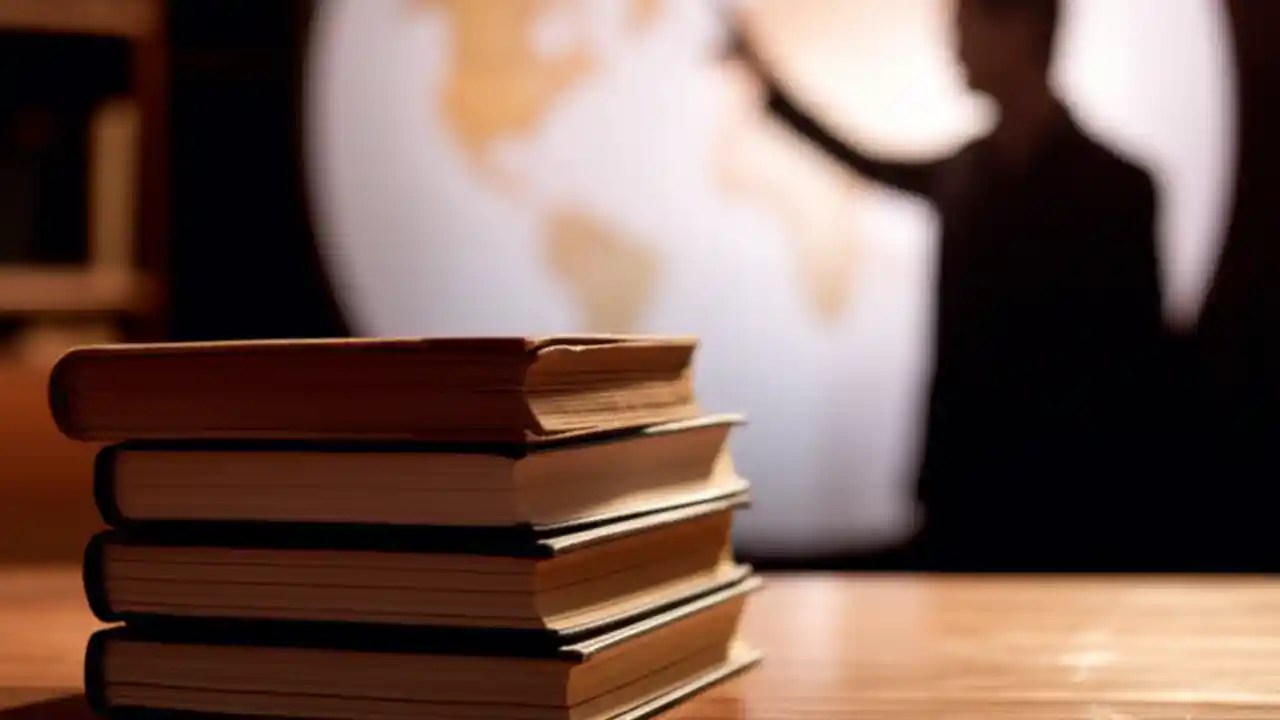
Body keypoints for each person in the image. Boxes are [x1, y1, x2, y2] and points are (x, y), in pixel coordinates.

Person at [731, 0, 1166, 569]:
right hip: (964, 492)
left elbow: (1143, 381)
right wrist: (766, 83)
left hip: (1076, 510)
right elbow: (865, 160)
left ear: (1027, 28)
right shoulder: (966, 173)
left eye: (965, 28)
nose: (954, 48)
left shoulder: (1118, 191)